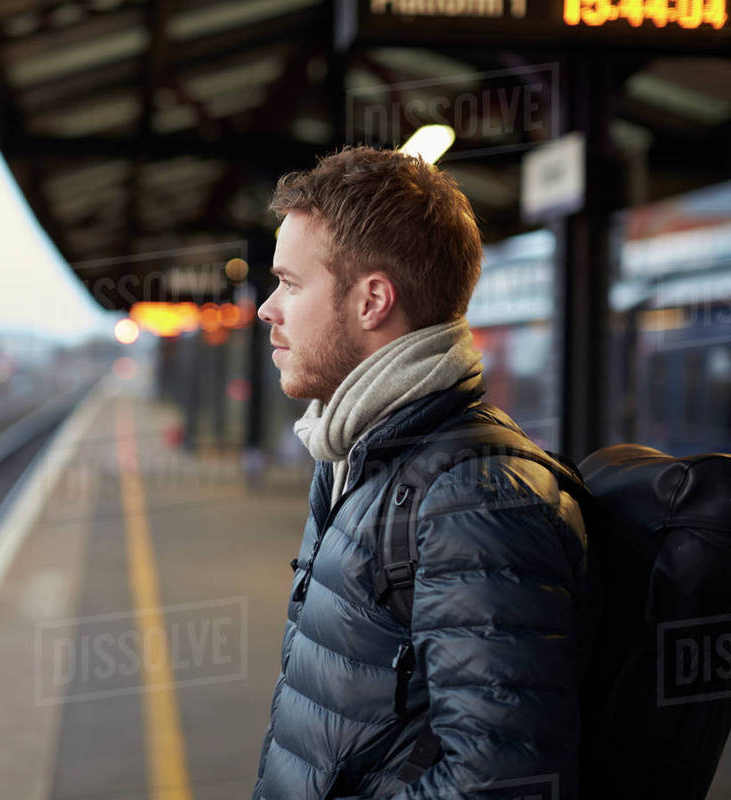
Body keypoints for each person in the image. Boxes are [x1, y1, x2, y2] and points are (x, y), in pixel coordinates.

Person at [251, 146, 592, 799]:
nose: (268, 308)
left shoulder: (476, 497)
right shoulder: (357, 458)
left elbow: (504, 785)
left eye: (290, 283)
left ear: (373, 299)